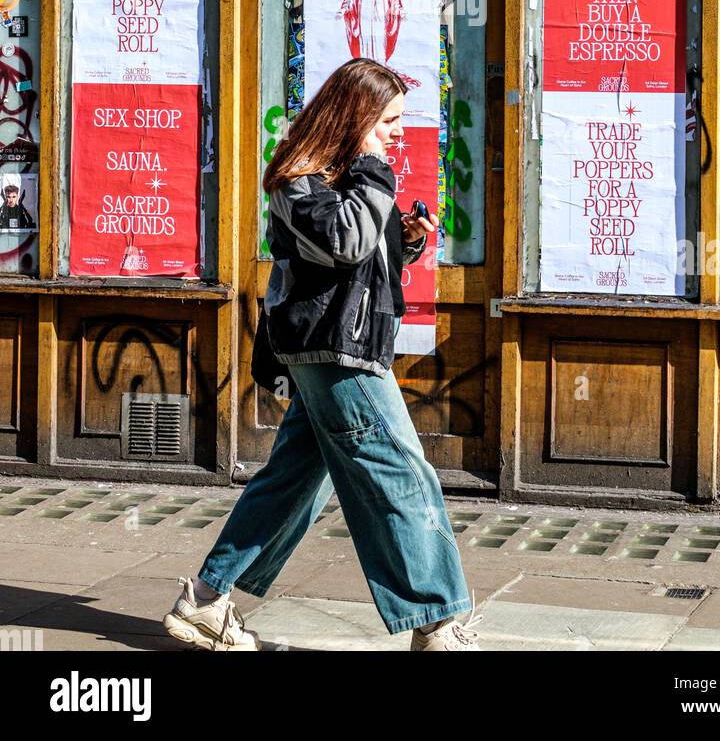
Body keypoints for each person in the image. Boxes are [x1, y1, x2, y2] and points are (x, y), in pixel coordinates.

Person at [163, 57, 482, 652]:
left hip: (344, 346)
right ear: (356, 116)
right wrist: (372, 170)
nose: (396, 132)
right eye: (387, 119)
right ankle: (440, 624)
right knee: (403, 477)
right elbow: (344, 242)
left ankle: (206, 601)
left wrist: (405, 242)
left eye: (399, 121)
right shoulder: (298, 177)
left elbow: (358, 258)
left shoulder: (343, 176)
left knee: (293, 483)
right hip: (337, 355)